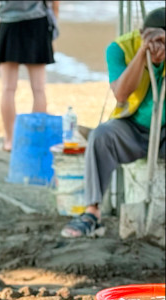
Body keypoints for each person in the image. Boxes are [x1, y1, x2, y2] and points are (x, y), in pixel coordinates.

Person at [61, 7, 165, 238]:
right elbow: (121, 94)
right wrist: (142, 54)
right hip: (134, 128)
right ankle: (92, 213)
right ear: (141, 33)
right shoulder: (120, 48)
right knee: (102, 136)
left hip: (164, 129)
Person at [0, 0, 59, 152]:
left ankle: (10, 140)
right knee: (39, 89)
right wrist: (54, 21)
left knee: (8, 88)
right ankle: (35, 140)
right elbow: (55, 3)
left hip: (10, 24)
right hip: (37, 24)